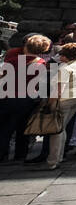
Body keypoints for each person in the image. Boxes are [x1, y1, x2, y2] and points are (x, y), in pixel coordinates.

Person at [0, 34, 51, 164]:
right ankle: (20, 155)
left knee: (5, 128)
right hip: (27, 99)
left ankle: (2, 154)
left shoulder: (12, 60)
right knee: (23, 128)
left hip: (7, 97)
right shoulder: (41, 63)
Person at [43, 43, 76, 169]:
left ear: (65, 55)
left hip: (65, 99)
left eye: (61, 54)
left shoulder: (64, 68)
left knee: (56, 130)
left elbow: (59, 90)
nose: (59, 56)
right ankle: (60, 156)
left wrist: (50, 103)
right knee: (62, 127)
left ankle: (53, 160)